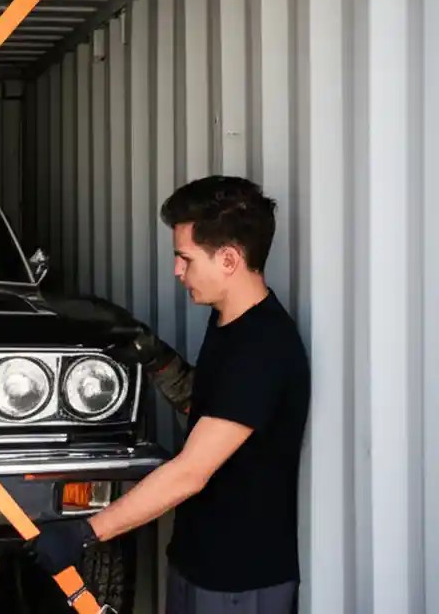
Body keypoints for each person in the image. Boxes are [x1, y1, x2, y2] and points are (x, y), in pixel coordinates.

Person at [27, 175, 311, 614]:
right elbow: (209, 409)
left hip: (238, 581)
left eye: (185, 258)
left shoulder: (262, 348)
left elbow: (190, 472)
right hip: (200, 561)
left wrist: (85, 531)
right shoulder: (228, 325)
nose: (177, 271)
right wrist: (153, 355)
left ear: (230, 259)